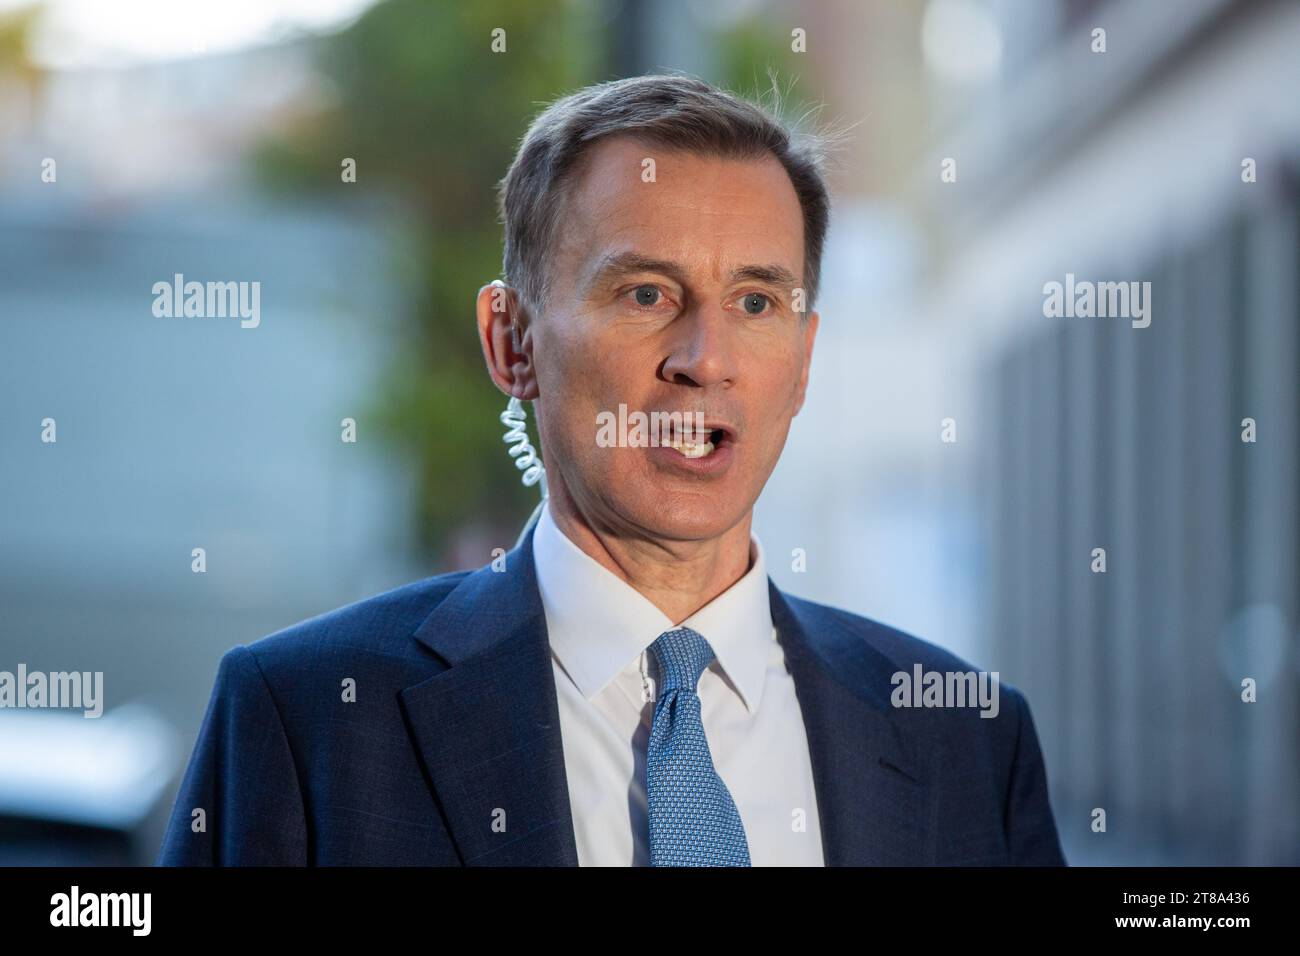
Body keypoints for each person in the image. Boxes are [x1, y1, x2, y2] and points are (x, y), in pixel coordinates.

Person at [156, 73, 1066, 866]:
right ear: (511, 342)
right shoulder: (305, 718)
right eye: (645, 293)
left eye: (755, 301)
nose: (706, 357)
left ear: (803, 361)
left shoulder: (968, 741)